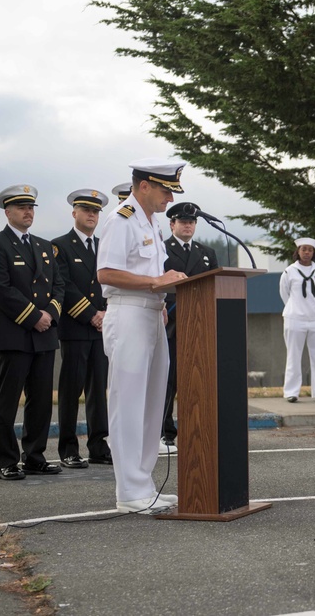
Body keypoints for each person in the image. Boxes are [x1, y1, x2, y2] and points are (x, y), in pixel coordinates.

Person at [96, 158, 189, 515]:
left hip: (152, 312)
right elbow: (106, 272)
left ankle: (144, 484)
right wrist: (155, 282)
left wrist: (160, 289)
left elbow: (149, 270)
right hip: (129, 312)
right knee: (128, 403)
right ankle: (129, 491)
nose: (170, 198)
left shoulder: (151, 221)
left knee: (152, 403)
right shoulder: (121, 219)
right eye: (166, 190)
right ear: (145, 185)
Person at [0, 185, 64, 481]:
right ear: (8, 212)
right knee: (9, 401)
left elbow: (59, 286)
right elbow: (1, 290)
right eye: (21, 208)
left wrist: (50, 315)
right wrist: (33, 318)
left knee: (41, 401)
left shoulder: (44, 246)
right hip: (14, 335)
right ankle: (6, 461)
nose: (28, 212)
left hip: (44, 336)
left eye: (31, 208)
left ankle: (35, 457)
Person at [52, 189, 111, 469]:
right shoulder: (59, 246)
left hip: (102, 329)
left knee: (98, 391)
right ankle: (68, 449)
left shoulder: (105, 245)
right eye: (86, 210)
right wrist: (91, 315)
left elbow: (110, 283)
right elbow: (64, 286)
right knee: (71, 391)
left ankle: (99, 447)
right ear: (74, 213)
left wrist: (106, 314)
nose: (92, 215)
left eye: (96, 211)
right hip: (76, 328)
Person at [160, 201, 220, 454]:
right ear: (172, 224)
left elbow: (215, 284)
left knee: (197, 381)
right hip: (172, 324)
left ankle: (196, 429)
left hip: (200, 325)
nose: (188, 225)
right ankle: (165, 432)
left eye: (192, 222)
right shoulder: (162, 251)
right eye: (183, 222)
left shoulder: (207, 252)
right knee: (169, 381)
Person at [279, 237, 315, 403]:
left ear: (313, 252)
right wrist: (296, 308)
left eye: (310, 250)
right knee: (293, 356)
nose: (307, 252)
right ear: (298, 251)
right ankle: (291, 392)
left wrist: (312, 308)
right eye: (304, 249)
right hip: (295, 318)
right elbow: (285, 294)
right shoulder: (289, 272)